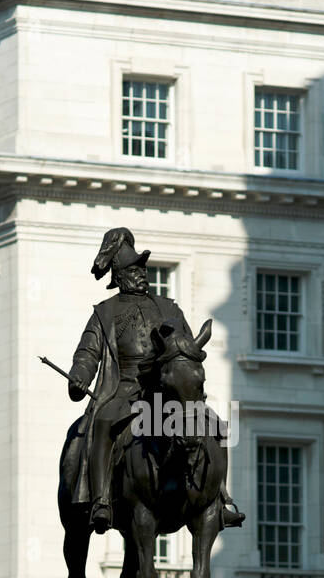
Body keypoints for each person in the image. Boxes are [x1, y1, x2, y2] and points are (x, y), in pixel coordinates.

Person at [68, 227, 244, 533]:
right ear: (119, 275)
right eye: (134, 268)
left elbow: (186, 348)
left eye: (142, 267)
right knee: (103, 422)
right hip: (122, 390)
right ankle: (101, 500)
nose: (141, 273)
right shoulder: (104, 314)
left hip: (166, 389)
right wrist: (79, 377)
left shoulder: (168, 307)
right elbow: (87, 353)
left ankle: (219, 500)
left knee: (216, 425)